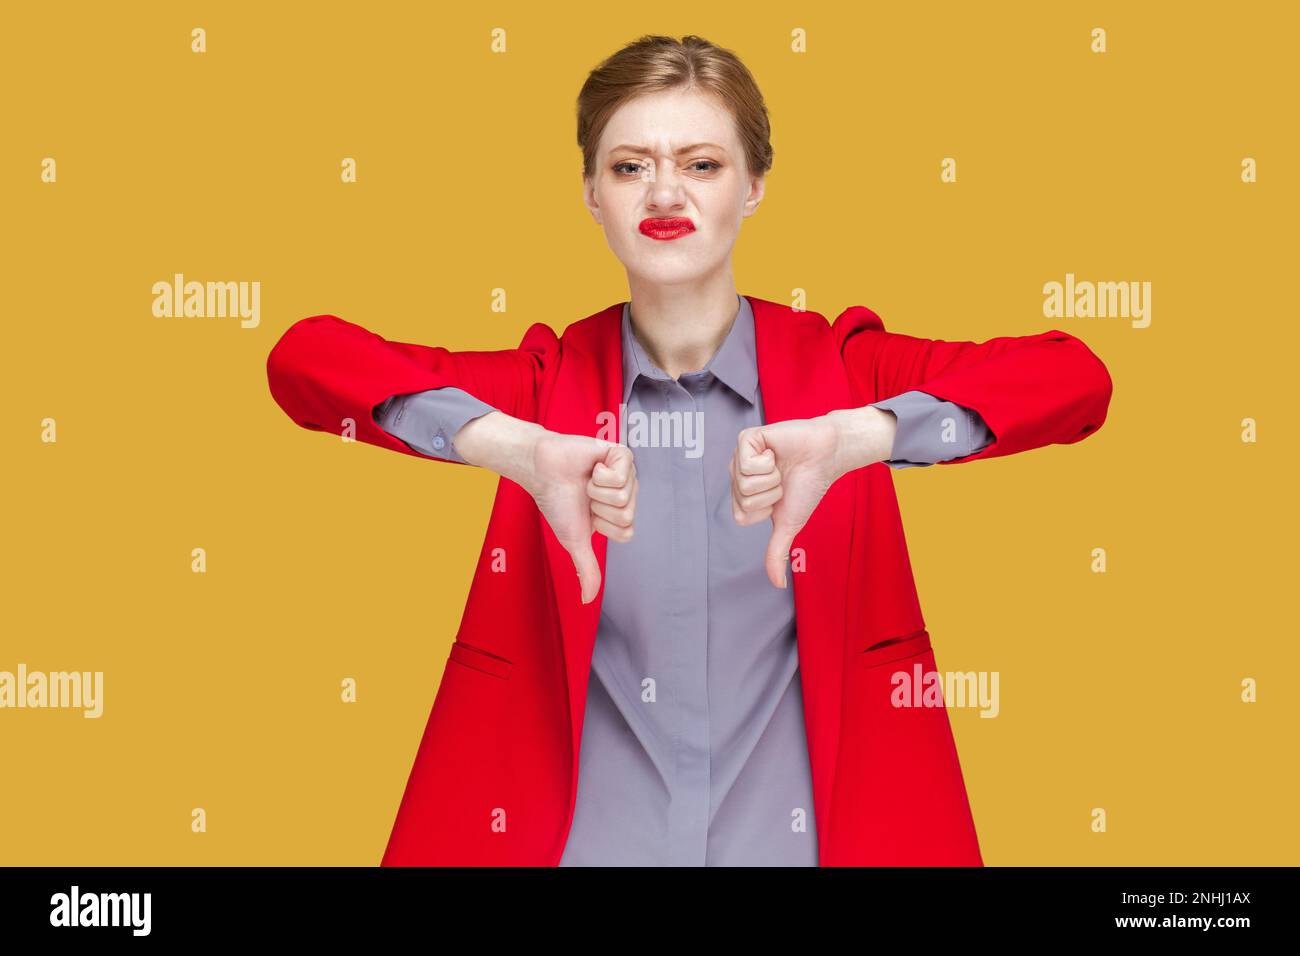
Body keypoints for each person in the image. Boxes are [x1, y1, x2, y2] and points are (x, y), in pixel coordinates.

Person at [265, 35, 1112, 866]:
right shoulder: (546, 385)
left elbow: (1074, 380)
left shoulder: (843, 372)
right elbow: (305, 361)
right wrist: (512, 446)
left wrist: (862, 435)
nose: (664, 192)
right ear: (591, 193)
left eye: (702, 164)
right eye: (629, 166)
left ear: (754, 185)